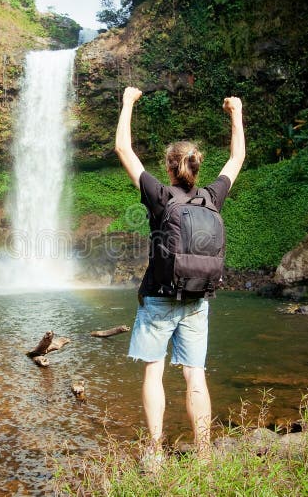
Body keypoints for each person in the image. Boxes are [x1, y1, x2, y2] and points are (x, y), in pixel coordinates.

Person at [114, 86, 245, 467]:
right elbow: (237, 157)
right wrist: (236, 113)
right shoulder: (211, 197)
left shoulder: (160, 196)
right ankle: (204, 455)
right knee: (195, 376)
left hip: (159, 298)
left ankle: (155, 453)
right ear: (196, 167)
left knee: (154, 372)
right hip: (197, 300)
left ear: (169, 167)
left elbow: (123, 149)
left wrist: (127, 102)